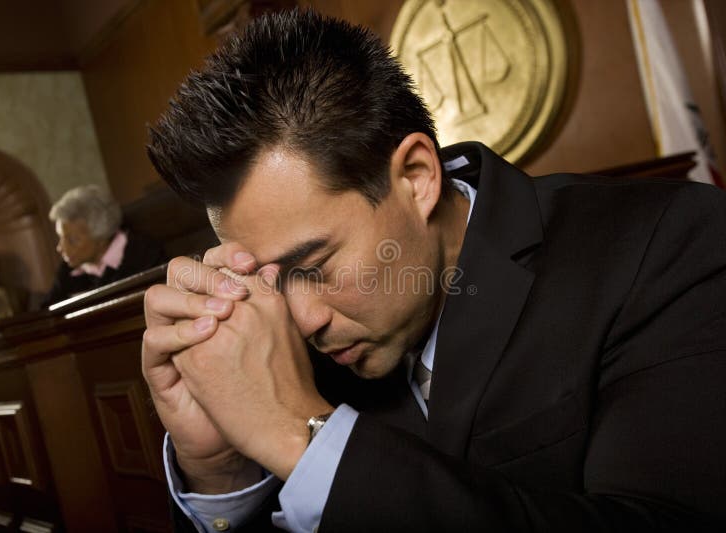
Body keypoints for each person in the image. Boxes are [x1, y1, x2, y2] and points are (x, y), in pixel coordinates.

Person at [141, 10, 726, 532]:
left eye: (315, 266)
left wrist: (301, 435)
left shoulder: (669, 245)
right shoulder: (284, 346)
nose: (304, 321)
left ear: (417, 176)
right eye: (271, 281)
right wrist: (220, 472)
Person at [43, 185, 166, 306]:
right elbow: (47, 313)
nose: (60, 248)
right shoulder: (69, 266)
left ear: (101, 237)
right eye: (61, 238)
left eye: (73, 240)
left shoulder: (145, 255)